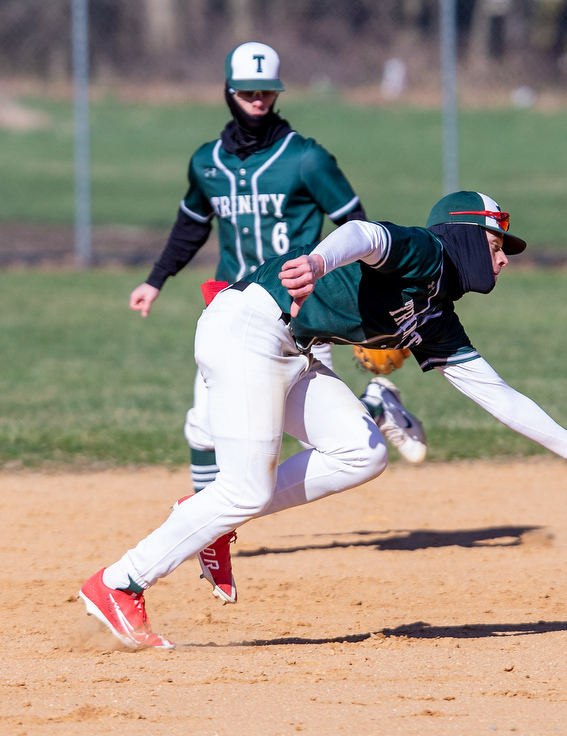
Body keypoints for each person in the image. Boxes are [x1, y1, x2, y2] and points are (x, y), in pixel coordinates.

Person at [80, 191, 567, 650]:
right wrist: (317, 262)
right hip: (246, 327)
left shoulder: (436, 310)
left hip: (289, 348)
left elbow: (495, 392)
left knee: (363, 452)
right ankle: (121, 583)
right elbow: (363, 232)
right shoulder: (425, 247)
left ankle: (207, 518)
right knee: (243, 489)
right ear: (467, 236)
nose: (503, 260)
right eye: (497, 245)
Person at [129, 42, 426, 603]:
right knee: (201, 427)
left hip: (300, 309)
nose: (258, 100)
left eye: (267, 91)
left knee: (322, 427)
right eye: (247, 91)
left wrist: (363, 290)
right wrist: (156, 279)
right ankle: (211, 536)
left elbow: (355, 223)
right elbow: (190, 226)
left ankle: (211, 529)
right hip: (230, 311)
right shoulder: (206, 162)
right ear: (228, 91)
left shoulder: (306, 158)